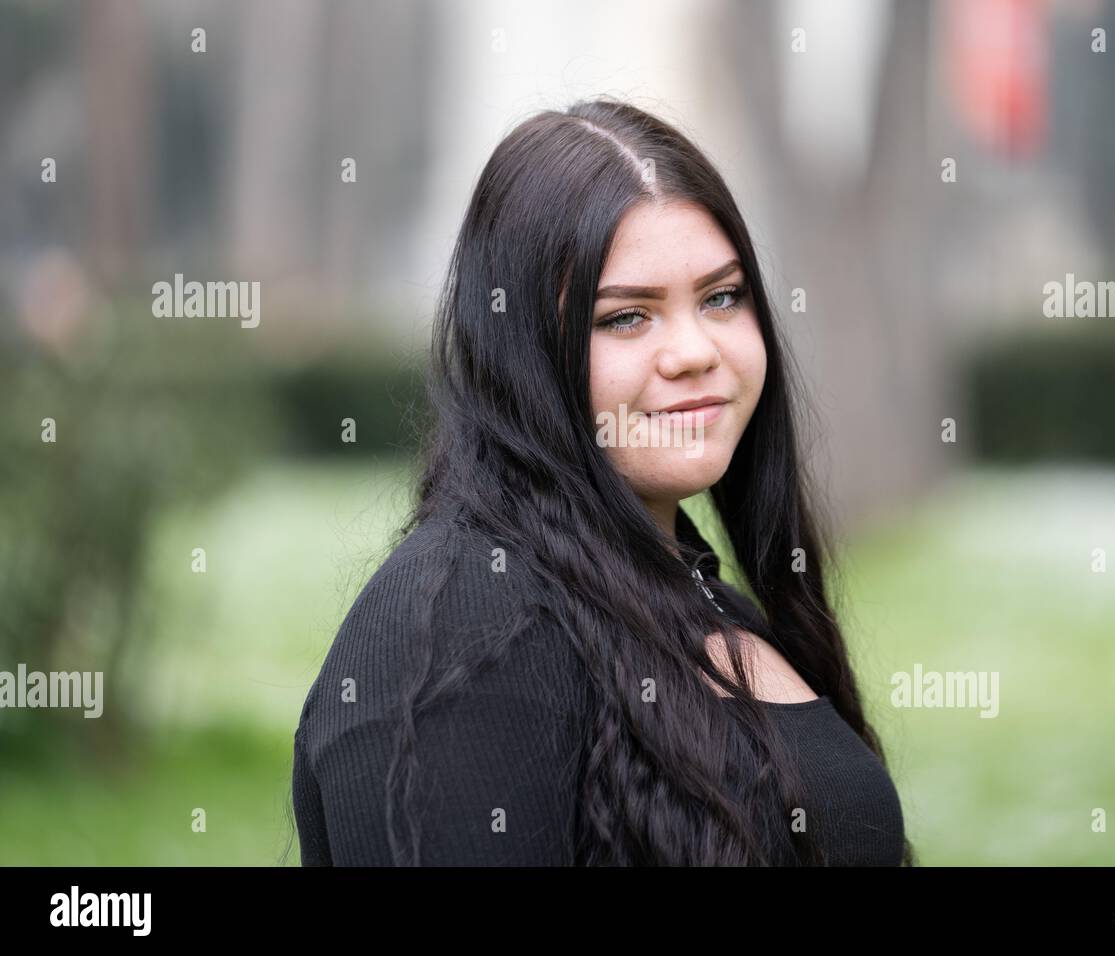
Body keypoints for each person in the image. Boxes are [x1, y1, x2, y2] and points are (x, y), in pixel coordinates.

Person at [291, 98, 912, 866]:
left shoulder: (696, 594)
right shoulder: (459, 628)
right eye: (626, 317)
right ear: (523, 348)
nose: (694, 350)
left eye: (721, 297)